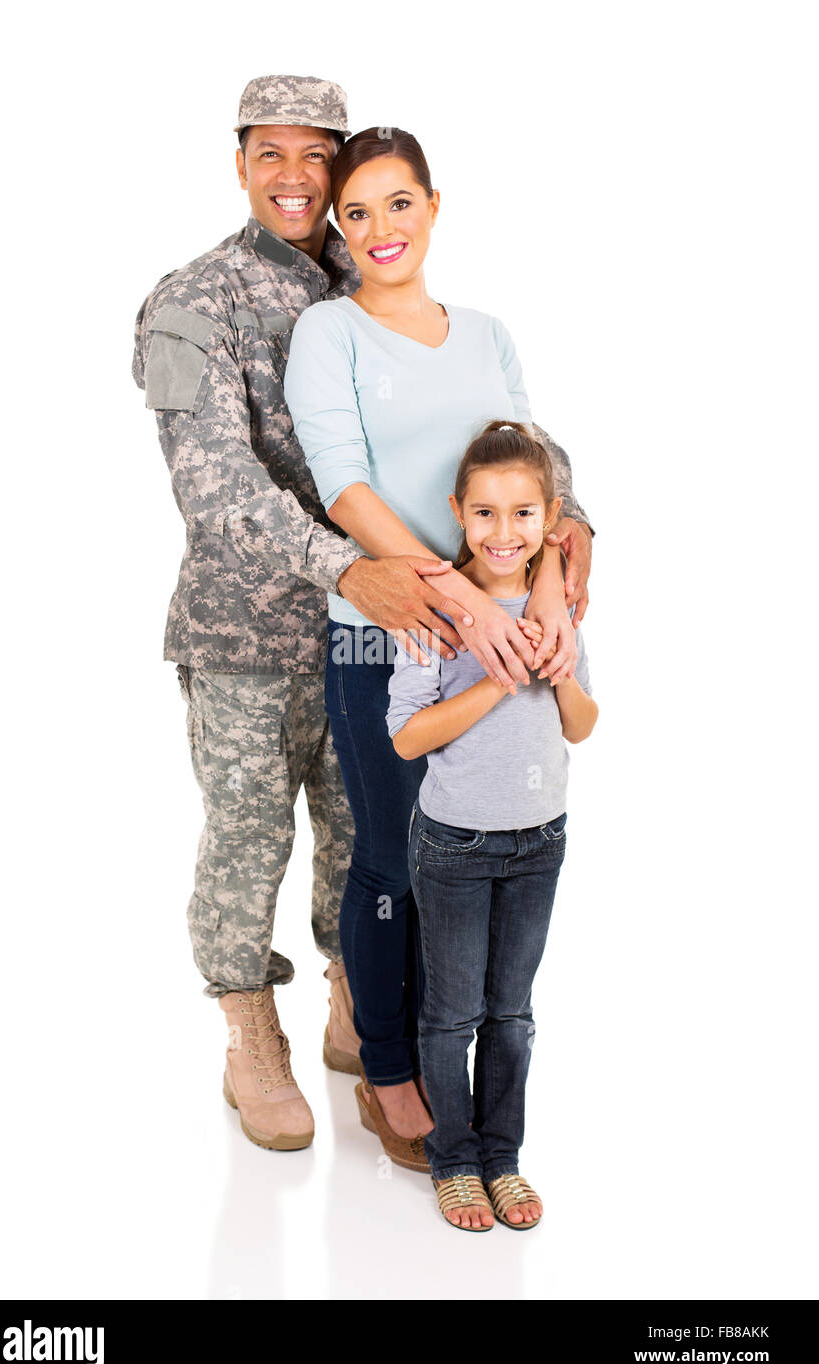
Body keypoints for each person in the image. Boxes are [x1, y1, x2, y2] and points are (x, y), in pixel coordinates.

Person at [131, 77, 476, 1154]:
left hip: (372, 640)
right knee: (246, 837)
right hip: (243, 640)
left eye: (315, 156)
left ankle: (355, 1016)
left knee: (367, 841)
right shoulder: (191, 301)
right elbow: (215, 484)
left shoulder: (370, 284)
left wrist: (558, 513)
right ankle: (248, 1038)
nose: (294, 176)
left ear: (338, 173)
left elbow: (454, 421)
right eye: (269, 153)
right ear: (239, 164)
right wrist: (346, 568)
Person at [284, 128, 595, 1169]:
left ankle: (452, 1061)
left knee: (471, 859)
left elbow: (526, 465)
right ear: (338, 227)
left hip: (502, 638)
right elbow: (344, 484)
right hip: (390, 638)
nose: (380, 230)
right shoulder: (329, 332)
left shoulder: (487, 333)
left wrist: (546, 583)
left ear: (432, 206)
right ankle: (386, 1070)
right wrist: (460, 596)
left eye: (398, 203)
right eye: (357, 213)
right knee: (391, 859)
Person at [387, 420, 598, 1229]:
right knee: (451, 1014)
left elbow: (580, 724)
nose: (501, 533)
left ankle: (502, 1158)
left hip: (540, 838)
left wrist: (560, 671)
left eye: (521, 515)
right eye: (484, 514)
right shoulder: (437, 612)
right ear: (458, 512)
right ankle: (453, 1160)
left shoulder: (561, 605)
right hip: (455, 844)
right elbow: (407, 735)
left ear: (551, 522)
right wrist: (498, 682)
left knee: (512, 1012)